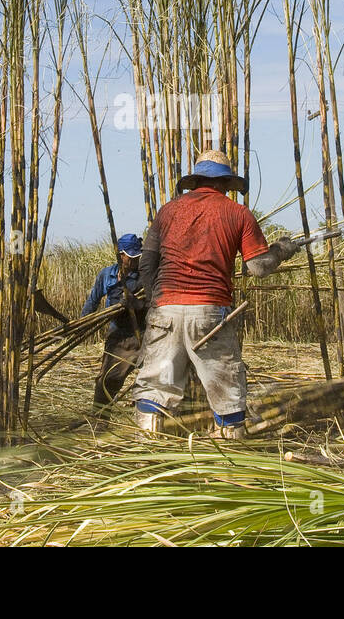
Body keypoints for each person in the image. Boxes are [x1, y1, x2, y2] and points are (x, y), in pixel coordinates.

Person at [132, 150, 299, 438]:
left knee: (157, 387)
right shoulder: (237, 213)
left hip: (165, 311)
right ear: (226, 183)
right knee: (226, 389)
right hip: (209, 315)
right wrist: (281, 252)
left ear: (196, 181)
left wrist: (155, 302)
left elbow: (147, 263)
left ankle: (146, 453)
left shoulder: (168, 211)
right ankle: (227, 460)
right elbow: (258, 268)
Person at [82, 233, 147, 410]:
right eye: (131, 258)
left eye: (137, 257)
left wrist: (138, 304)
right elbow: (92, 301)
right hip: (118, 336)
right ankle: (101, 419)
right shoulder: (107, 275)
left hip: (141, 334)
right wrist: (82, 324)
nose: (134, 262)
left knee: (150, 380)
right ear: (121, 255)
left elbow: (154, 302)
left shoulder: (144, 276)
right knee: (108, 380)